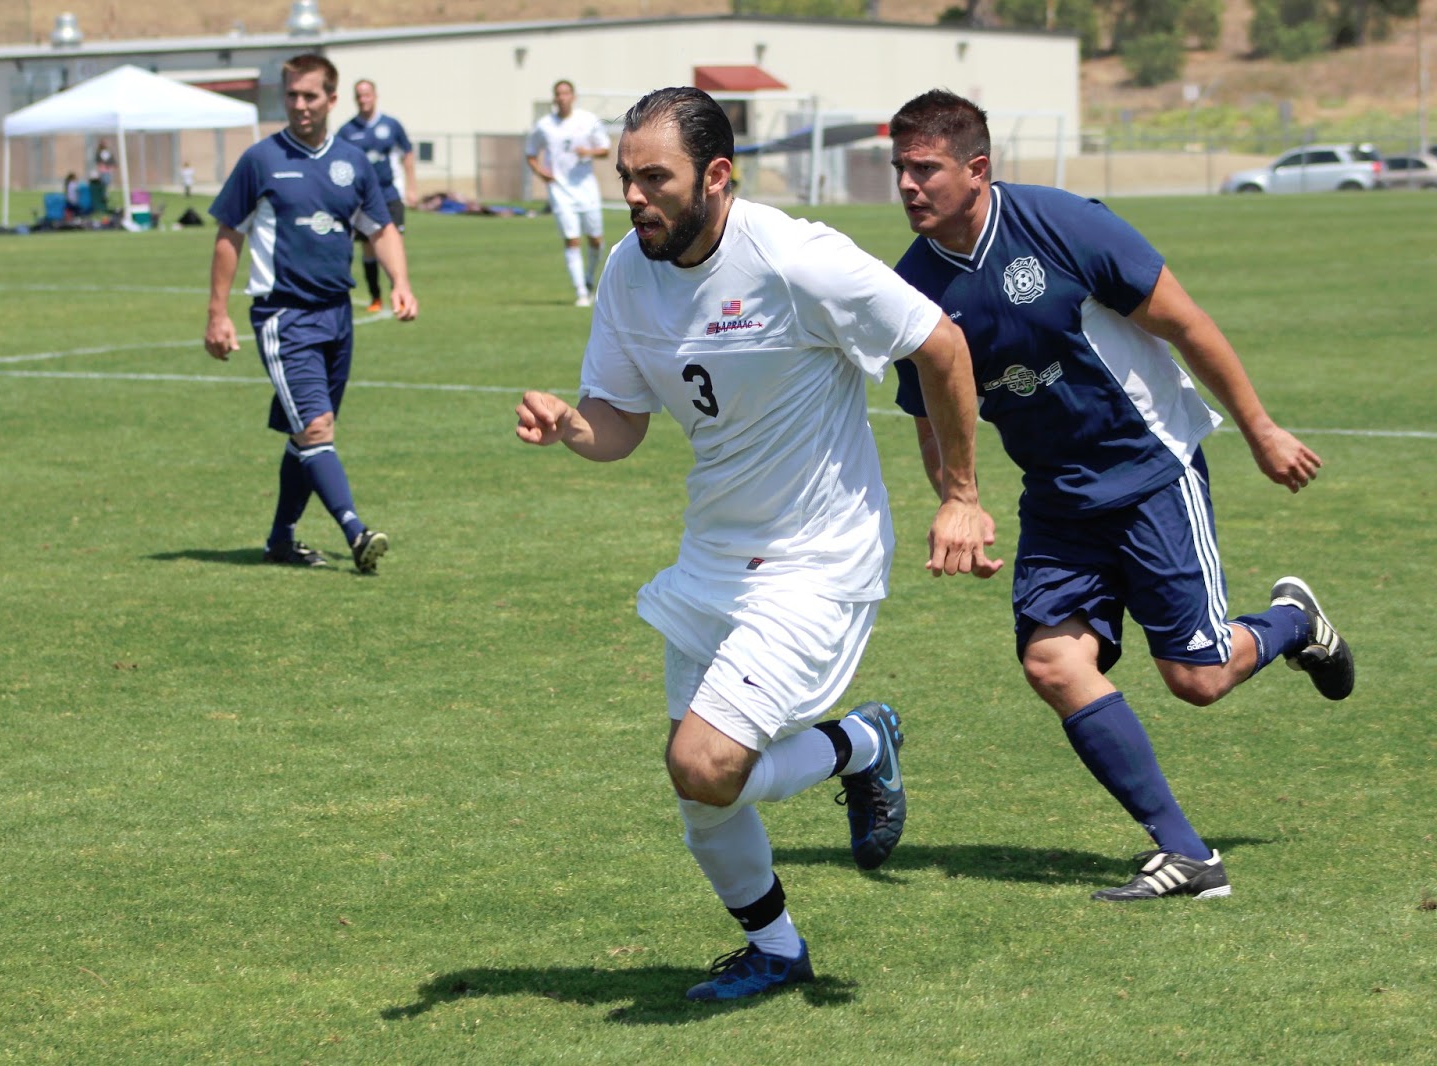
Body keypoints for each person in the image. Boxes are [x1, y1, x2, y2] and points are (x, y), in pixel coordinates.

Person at [516, 87, 990, 1002]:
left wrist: (960, 496)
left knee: (704, 761)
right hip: (714, 557)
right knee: (699, 788)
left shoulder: (795, 257)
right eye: (626, 180)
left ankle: (858, 744)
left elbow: (942, 343)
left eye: (655, 178)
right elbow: (620, 423)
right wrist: (571, 423)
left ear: (717, 176)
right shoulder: (629, 267)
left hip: (818, 558)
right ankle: (776, 945)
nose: (636, 198)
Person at [886, 89, 1355, 902]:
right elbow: (929, 411)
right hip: (1058, 501)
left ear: (977, 169)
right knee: (1052, 660)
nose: (908, 186)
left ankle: (1292, 623)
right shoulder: (912, 286)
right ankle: (1186, 854)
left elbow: (1187, 323)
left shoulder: (1066, 224)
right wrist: (954, 499)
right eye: (899, 169)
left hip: (1151, 472)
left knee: (1198, 678)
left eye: (925, 169)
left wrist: (1261, 429)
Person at [203, 53, 418, 574]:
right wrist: (218, 313)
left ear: (331, 99)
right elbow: (229, 233)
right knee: (317, 428)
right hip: (284, 317)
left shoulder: (353, 162)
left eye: (310, 96)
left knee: (305, 435)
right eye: (292, 96)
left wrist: (401, 283)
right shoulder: (260, 160)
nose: (299, 105)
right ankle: (357, 533)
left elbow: (381, 226)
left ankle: (281, 540)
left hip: (336, 315)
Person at [525, 79, 611, 307]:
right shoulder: (544, 125)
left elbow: (605, 149)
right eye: (558, 94)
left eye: (566, 93)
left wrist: (588, 151)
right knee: (571, 240)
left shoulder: (588, 120)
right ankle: (581, 291)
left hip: (586, 188)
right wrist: (541, 172)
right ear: (554, 98)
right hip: (560, 190)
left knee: (595, 239)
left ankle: (590, 279)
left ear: (573, 96)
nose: (562, 97)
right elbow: (530, 153)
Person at [338, 79, 416, 314]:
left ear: (375, 96)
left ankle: (400, 294)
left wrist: (411, 187)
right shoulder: (347, 130)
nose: (363, 100)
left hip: (389, 195)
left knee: (395, 243)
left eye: (367, 95)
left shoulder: (391, 125)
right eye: (359, 96)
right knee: (369, 248)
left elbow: (408, 154)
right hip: (362, 199)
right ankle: (376, 297)